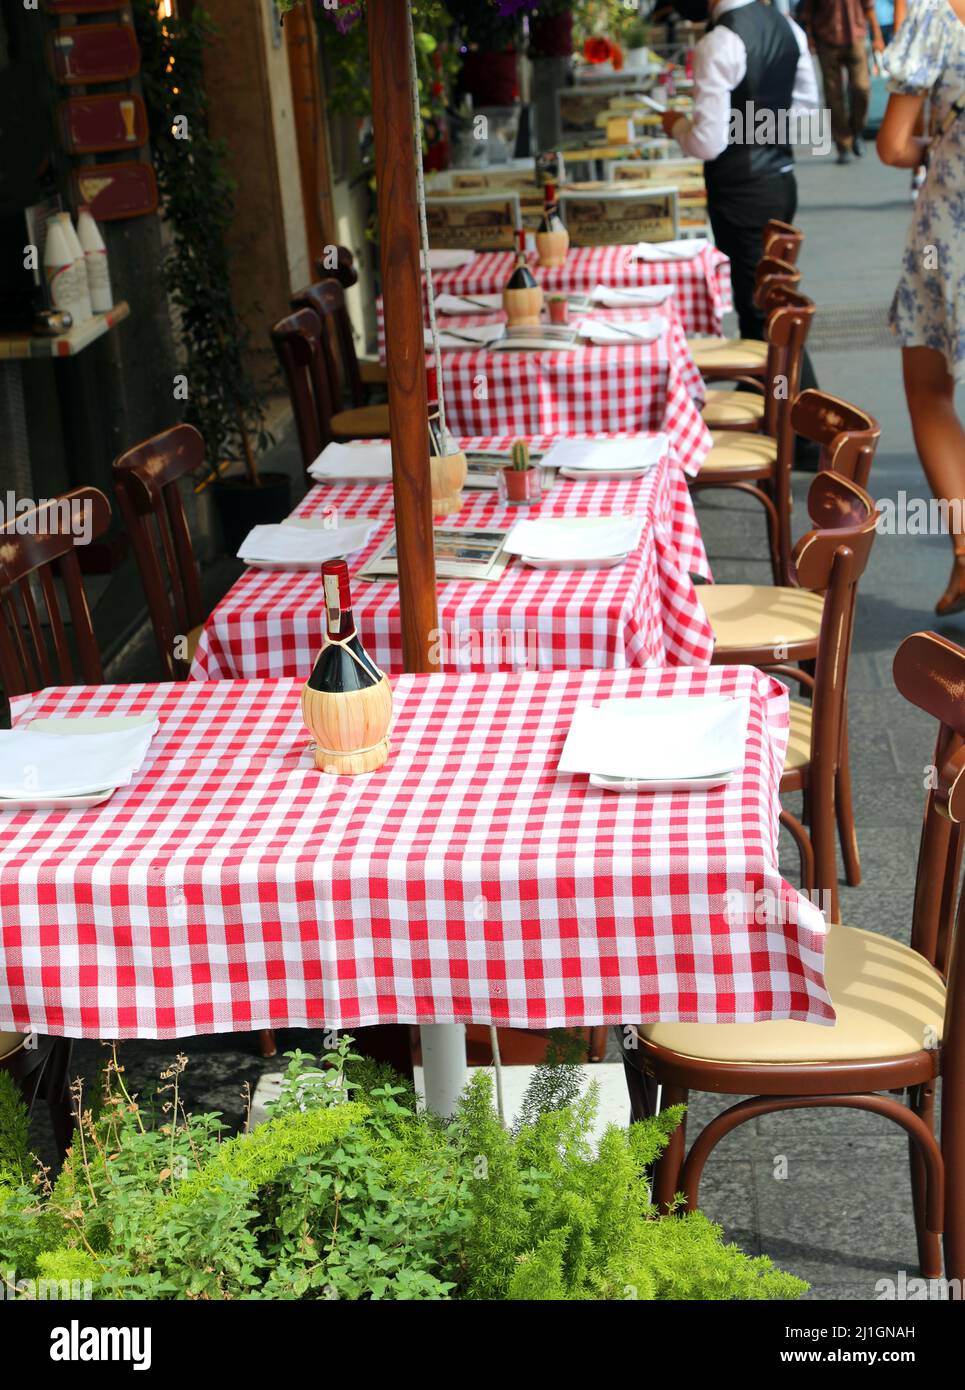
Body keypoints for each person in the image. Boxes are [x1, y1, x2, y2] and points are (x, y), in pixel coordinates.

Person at [877, 0, 965, 615]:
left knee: (928, 389)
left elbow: (891, 146)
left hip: (949, 231)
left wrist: (937, 144)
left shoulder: (936, 17)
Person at [662, 0, 819, 342]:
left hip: (739, 192)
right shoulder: (787, 27)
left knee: (761, 313)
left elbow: (708, 143)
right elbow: (806, 116)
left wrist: (675, 126)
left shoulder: (719, 41)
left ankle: (794, 391)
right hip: (780, 180)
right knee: (767, 304)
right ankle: (763, 388)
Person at [800, 0, 887, 161]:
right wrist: (810, 37)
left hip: (855, 36)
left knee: (861, 87)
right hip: (826, 38)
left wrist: (877, 35)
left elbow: (868, 7)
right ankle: (843, 143)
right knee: (833, 94)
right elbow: (808, 12)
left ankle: (857, 130)